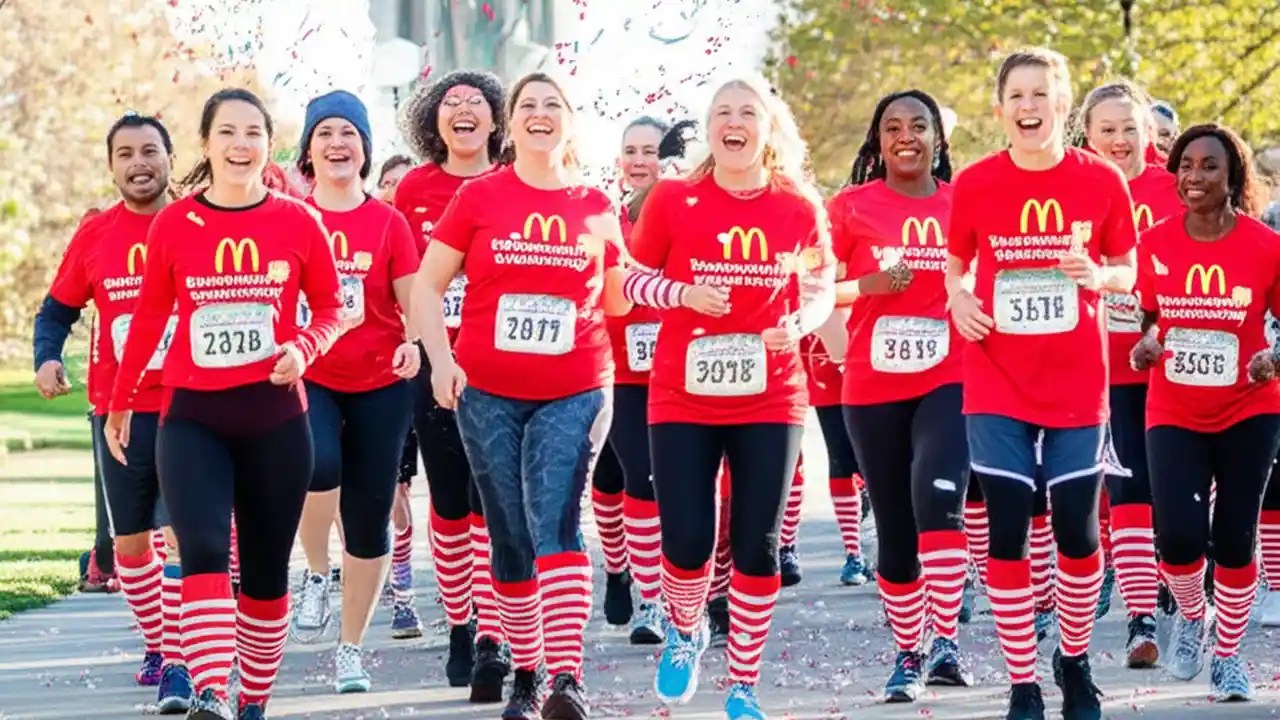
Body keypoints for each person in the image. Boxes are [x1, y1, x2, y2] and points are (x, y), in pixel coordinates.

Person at [104, 87, 344, 720]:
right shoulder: (175, 223)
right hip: (193, 418)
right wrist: (123, 399)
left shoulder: (299, 220)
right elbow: (151, 312)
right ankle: (211, 689)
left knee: (264, 575)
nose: (241, 145)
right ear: (207, 145)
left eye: (253, 134)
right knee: (204, 549)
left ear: (269, 145)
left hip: (275, 420)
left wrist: (305, 347)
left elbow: (330, 309)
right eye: (227, 133)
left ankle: (253, 701)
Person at [410, 71, 628, 720]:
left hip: (574, 388)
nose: (539, 114)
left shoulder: (596, 203)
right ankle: (526, 672)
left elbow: (618, 298)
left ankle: (566, 678)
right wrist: (440, 362)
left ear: (569, 121)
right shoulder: (480, 198)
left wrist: (681, 293)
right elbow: (425, 288)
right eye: (527, 105)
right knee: (507, 534)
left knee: (557, 520)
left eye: (551, 105)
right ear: (514, 124)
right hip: (487, 392)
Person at [626, 74, 836, 720]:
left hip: (771, 395)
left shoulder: (797, 206)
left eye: (748, 112)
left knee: (757, 545)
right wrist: (682, 295)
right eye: (723, 112)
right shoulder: (672, 198)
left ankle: (743, 682)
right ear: (708, 129)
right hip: (683, 393)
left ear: (769, 129)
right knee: (687, 542)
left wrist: (798, 323)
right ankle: (687, 628)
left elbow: (822, 285)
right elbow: (632, 280)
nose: (734, 121)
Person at [946, 48, 1138, 720]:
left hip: (1077, 383)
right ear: (1000, 109)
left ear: (1065, 107)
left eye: (1042, 95)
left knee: (1079, 537)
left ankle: (1074, 661)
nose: (1030, 107)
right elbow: (956, 264)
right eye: (1017, 96)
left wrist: (1098, 276)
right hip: (995, 378)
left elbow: (1128, 270)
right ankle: (1024, 682)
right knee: (1006, 531)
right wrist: (957, 299)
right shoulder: (973, 183)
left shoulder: (1101, 180)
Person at [33, 112, 193, 710]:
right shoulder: (97, 233)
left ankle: (181, 658)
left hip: (191, 408)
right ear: (111, 165)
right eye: (125, 153)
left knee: (181, 535)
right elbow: (56, 311)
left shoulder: (198, 222)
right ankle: (158, 643)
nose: (138, 163)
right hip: (119, 411)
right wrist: (48, 359)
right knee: (130, 548)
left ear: (171, 158)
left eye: (150, 150)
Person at [1131, 123, 1280, 702]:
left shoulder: (1266, 247)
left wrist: (1274, 359)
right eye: (1185, 165)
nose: (1193, 176)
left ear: (1232, 175)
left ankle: (1228, 656)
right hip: (1174, 407)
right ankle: (1192, 614)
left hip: (1249, 407)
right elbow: (1149, 319)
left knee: (1236, 539)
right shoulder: (1156, 242)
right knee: (1180, 536)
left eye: (1208, 166)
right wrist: (1146, 344)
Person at [832, 89, 972, 702]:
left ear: (939, 137)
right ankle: (907, 653)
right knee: (892, 518)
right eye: (893, 126)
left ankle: (946, 642)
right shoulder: (849, 207)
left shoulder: (963, 202)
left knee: (936, 497)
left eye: (919, 125)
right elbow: (815, 289)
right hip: (871, 381)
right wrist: (870, 283)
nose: (906, 136)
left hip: (951, 374)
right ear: (878, 140)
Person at [289, 90, 421, 692]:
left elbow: (413, 297)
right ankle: (316, 572)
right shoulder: (288, 216)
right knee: (317, 463)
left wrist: (414, 341)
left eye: (349, 133)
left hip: (380, 380)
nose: (337, 143)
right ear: (309, 150)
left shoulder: (387, 222)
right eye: (325, 134)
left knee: (370, 520)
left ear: (364, 149)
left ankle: (350, 648)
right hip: (310, 372)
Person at [393, 68, 511, 699]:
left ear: (497, 119)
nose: (461, 110)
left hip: (502, 367)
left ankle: (494, 636)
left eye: (475, 103)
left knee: (491, 505)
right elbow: (404, 279)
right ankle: (462, 624)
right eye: (449, 103)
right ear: (433, 122)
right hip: (434, 365)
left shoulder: (515, 184)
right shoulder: (414, 187)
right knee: (449, 504)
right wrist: (415, 347)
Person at [1080, 80, 1183, 668]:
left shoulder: (1179, 186)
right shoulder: (1073, 186)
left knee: (1176, 501)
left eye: (1129, 128)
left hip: (1178, 371)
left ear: (1150, 131)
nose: (1119, 141)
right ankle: (1142, 616)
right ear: (1088, 135)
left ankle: (1184, 587)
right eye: (1107, 130)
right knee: (1128, 492)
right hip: (1105, 370)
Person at [592, 115, 670, 635]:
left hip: (671, 370)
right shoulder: (602, 215)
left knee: (645, 479)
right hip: (612, 367)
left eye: (650, 151)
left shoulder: (687, 212)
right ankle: (620, 571)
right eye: (631, 151)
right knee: (610, 478)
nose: (639, 160)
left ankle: (654, 600)